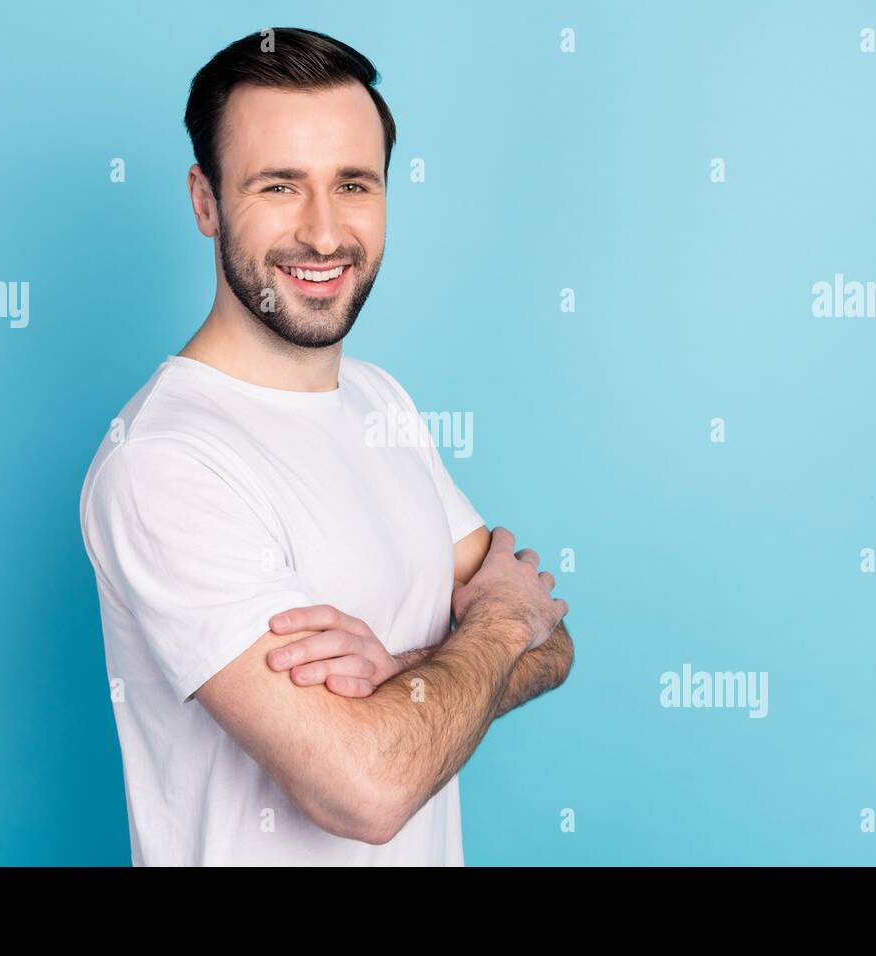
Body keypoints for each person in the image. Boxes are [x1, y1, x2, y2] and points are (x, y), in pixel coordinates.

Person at [78, 27, 573, 866]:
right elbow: (367, 789)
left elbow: (553, 636)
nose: (323, 232)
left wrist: (404, 670)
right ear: (206, 201)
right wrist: (492, 627)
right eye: (279, 185)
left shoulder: (380, 401)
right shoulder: (163, 463)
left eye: (353, 184)